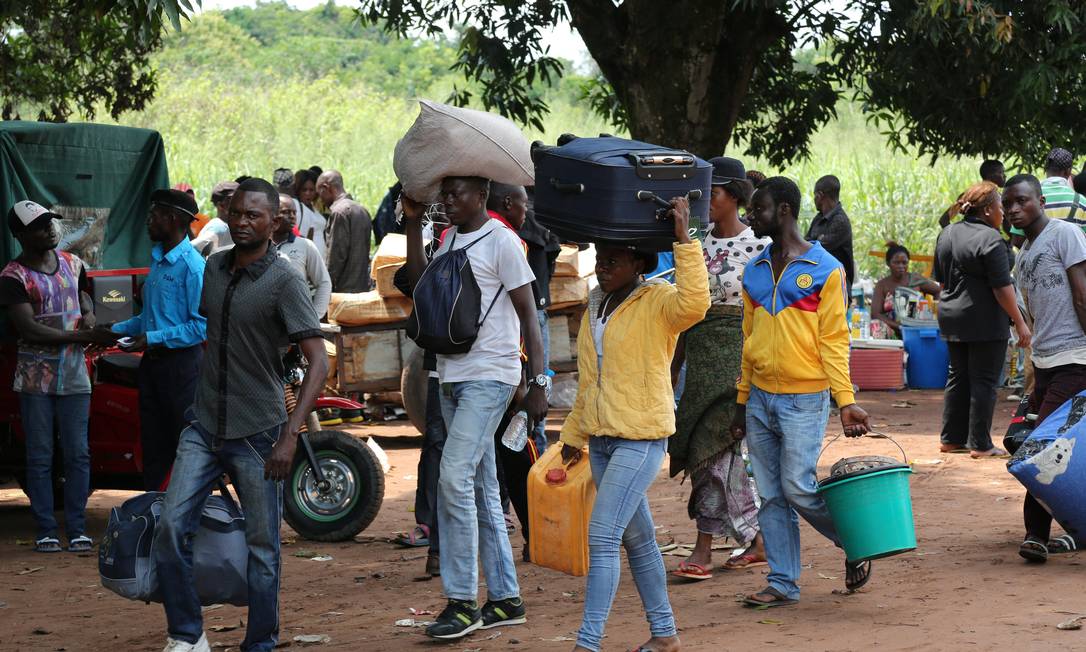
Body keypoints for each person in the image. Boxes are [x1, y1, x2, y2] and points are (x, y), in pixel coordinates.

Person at [153, 178, 328, 652]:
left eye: (254, 214)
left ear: (275, 222)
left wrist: (291, 436)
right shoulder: (213, 268)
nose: (243, 221)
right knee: (170, 529)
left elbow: (319, 360)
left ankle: (260, 643)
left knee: (263, 547)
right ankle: (188, 634)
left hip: (259, 433)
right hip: (205, 423)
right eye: (236, 212)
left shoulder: (286, 279)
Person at [558, 196, 708, 652]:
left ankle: (588, 643)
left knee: (602, 536)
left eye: (614, 260)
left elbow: (696, 303)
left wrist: (684, 239)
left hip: (641, 438)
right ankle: (665, 636)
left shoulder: (659, 300)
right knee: (638, 541)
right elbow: (591, 378)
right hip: (603, 440)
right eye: (601, 258)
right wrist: (572, 435)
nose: (603, 267)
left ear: (639, 262)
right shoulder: (597, 303)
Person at [400, 177, 547, 640]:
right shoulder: (447, 239)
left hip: (491, 375)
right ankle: (505, 599)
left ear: (481, 196)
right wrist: (409, 223)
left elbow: (530, 316)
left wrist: (539, 381)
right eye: (444, 194)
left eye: (457, 193)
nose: (448, 200)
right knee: (482, 488)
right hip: (450, 374)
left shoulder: (503, 240)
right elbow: (423, 285)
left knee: (453, 477)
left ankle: (462, 601)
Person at [729, 176, 873, 607]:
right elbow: (747, 340)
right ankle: (782, 583)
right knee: (770, 495)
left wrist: (845, 401)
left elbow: (835, 340)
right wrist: (741, 400)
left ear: (786, 211)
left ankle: (856, 541)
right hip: (758, 400)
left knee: (796, 486)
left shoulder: (827, 269)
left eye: (759, 209)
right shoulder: (754, 271)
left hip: (804, 399)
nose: (751, 216)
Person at [669, 157, 767, 581]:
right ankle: (758, 538)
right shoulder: (695, 244)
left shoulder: (760, 250)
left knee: (715, 452)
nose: (707, 201)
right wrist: (674, 366)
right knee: (705, 452)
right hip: (697, 358)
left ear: (736, 197)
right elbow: (685, 309)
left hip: (736, 362)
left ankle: (704, 547)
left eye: (715, 194)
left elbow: (765, 315)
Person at [0, 201, 118, 554]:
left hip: (73, 373)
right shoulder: (12, 277)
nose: (50, 229)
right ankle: (47, 529)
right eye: (39, 226)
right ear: (20, 235)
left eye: (50, 223)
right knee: (41, 455)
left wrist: (91, 318)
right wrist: (84, 337)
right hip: (36, 376)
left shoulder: (73, 263)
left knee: (78, 453)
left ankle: (78, 528)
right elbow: (28, 329)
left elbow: (84, 300)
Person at [1003, 174, 1086, 562]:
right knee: (1062, 450)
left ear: (1040, 200)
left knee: (1040, 447)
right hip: (1045, 362)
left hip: (1075, 359)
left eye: (1021, 201)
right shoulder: (1025, 254)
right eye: (1008, 204)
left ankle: (1036, 533)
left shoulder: (1064, 235)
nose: (1014, 209)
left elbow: (1082, 293)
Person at [107, 189, 207, 491]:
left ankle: (193, 519)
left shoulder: (193, 267)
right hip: (152, 366)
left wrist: (150, 338)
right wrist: (111, 331)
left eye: (154, 216)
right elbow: (149, 318)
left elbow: (200, 327)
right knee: (154, 446)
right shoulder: (158, 262)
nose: (148, 222)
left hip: (182, 369)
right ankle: (154, 517)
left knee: (187, 446)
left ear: (173, 219)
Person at [934, 181, 1032, 458]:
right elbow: (1001, 288)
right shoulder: (991, 239)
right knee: (985, 380)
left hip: (951, 316)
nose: (1005, 212)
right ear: (988, 210)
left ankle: (951, 439)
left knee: (958, 376)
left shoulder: (947, 233)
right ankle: (980, 443)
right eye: (1002, 206)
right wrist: (1020, 321)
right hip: (985, 319)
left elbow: (942, 282)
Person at [274, 193, 331, 317]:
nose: (292, 217)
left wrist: (315, 316)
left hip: (295, 320)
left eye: (294, 212)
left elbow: (324, 283)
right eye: (286, 212)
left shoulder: (305, 245)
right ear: (272, 214)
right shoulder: (259, 246)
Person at [317, 170, 372, 293]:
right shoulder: (361, 209)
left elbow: (336, 255)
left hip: (344, 290)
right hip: (363, 286)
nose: (320, 200)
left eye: (319, 194)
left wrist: (326, 286)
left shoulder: (339, 212)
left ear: (326, 188)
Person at [870, 242, 942, 337]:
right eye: (896, 262)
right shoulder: (882, 285)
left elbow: (938, 291)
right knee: (876, 326)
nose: (901, 266)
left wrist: (936, 313)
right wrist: (898, 326)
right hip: (892, 329)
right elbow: (875, 314)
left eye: (904, 263)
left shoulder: (915, 279)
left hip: (917, 328)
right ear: (888, 263)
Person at [805, 175, 855, 293]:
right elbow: (806, 243)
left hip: (837, 286)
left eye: (814, 195)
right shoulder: (818, 218)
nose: (814, 199)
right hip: (820, 282)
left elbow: (814, 249)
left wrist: (814, 241)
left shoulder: (840, 221)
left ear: (820, 195)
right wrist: (816, 240)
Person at [1039, 147, 1086, 224]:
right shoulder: (1082, 202)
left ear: (1046, 169)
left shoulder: (1031, 197)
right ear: (1068, 171)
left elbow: (1018, 235)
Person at [191, 181, 238, 256]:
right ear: (221, 206)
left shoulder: (229, 226)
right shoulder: (218, 228)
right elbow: (191, 249)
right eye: (236, 201)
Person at [291, 169, 327, 257]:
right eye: (304, 190)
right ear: (298, 190)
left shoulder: (313, 208)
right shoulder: (297, 207)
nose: (308, 193)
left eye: (312, 190)